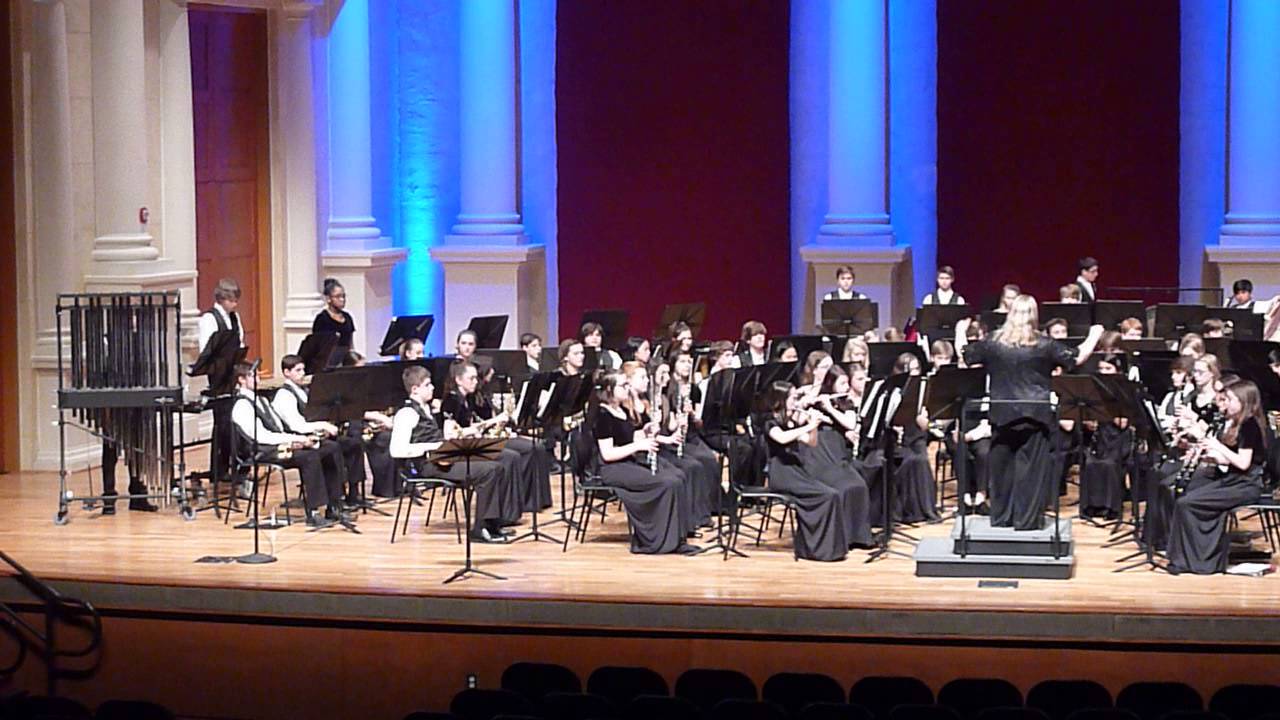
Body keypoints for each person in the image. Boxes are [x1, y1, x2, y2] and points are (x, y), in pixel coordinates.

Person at [956, 295, 1104, 530]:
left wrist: (959, 331)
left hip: (1002, 414)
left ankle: (1002, 518)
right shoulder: (1044, 344)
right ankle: (1026, 521)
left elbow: (965, 355)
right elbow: (1075, 357)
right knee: (1031, 471)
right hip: (1035, 415)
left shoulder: (994, 342)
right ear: (1034, 315)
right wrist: (1094, 335)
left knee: (1001, 469)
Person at [389, 365, 517, 543]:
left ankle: (495, 522)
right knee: (490, 470)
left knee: (504, 456)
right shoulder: (407, 413)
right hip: (430, 465)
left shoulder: (428, 408)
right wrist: (432, 446)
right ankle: (480, 529)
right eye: (428, 384)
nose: (433, 387)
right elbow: (397, 450)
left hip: (445, 455)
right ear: (415, 389)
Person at [1166, 380, 1269, 574]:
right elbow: (1228, 461)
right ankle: (1185, 557)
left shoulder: (1250, 426)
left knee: (1188, 503)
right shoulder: (1238, 424)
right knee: (1184, 496)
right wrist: (1205, 455)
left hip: (1246, 485)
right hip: (1233, 480)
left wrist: (1215, 444)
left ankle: (1199, 562)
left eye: (1230, 399)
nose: (1226, 403)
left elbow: (1243, 463)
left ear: (1244, 402)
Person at [590, 370, 698, 555]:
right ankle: (657, 541)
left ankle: (679, 537)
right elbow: (608, 454)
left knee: (678, 476)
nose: (627, 388)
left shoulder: (621, 410)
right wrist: (639, 445)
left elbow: (631, 436)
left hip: (627, 462)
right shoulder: (602, 415)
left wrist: (654, 433)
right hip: (612, 468)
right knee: (668, 482)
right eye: (623, 385)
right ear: (609, 389)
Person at [229, 363, 346, 528]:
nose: (258, 379)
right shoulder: (242, 406)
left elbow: (279, 427)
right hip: (263, 450)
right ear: (241, 380)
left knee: (329, 447)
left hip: (278, 442)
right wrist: (292, 442)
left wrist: (301, 438)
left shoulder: (261, 399)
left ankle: (334, 504)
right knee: (309, 456)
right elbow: (261, 436)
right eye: (252, 376)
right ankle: (313, 512)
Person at [761, 381, 864, 561]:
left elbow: (811, 442)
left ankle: (828, 548)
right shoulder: (770, 422)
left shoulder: (791, 421)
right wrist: (808, 426)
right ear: (781, 400)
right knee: (825, 496)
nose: (796, 402)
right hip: (782, 473)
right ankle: (815, 549)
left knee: (832, 494)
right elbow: (782, 438)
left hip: (796, 471)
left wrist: (813, 424)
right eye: (793, 398)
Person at [442, 361, 551, 516]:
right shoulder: (451, 401)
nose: (475, 381)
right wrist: (488, 424)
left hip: (477, 441)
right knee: (512, 456)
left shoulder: (469, 398)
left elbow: (476, 422)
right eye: (471, 378)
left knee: (531, 448)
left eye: (475, 378)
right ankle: (509, 512)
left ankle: (529, 503)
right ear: (458, 380)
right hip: (462, 448)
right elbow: (453, 433)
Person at [273, 354, 365, 507]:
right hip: (302, 438)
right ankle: (337, 498)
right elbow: (297, 425)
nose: (302, 373)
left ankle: (354, 492)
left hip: (316, 434)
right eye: (298, 370)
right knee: (334, 448)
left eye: (303, 370)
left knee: (354, 443)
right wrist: (323, 426)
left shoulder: (303, 390)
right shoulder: (284, 396)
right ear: (286, 372)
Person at [196, 278, 248, 499]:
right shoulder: (209, 319)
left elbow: (241, 342)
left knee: (234, 422)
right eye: (232, 300)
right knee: (223, 424)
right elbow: (207, 349)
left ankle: (232, 467)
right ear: (223, 299)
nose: (235, 305)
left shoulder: (234, 318)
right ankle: (219, 469)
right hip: (218, 378)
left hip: (233, 376)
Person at [311, 278, 355, 364]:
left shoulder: (347, 317)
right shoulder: (322, 319)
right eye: (338, 296)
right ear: (328, 298)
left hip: (345, 361)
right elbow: (317, 345)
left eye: (343, 296)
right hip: (328, 361)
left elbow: (350, 344)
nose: (342, 299)